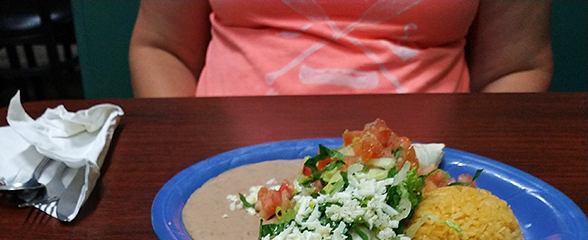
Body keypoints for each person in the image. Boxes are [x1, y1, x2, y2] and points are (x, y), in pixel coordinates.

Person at [129, 0, 553, 97]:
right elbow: (162, 49)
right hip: (226, 171)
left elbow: (514, 69)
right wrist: (193, 173)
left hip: (426, 178)